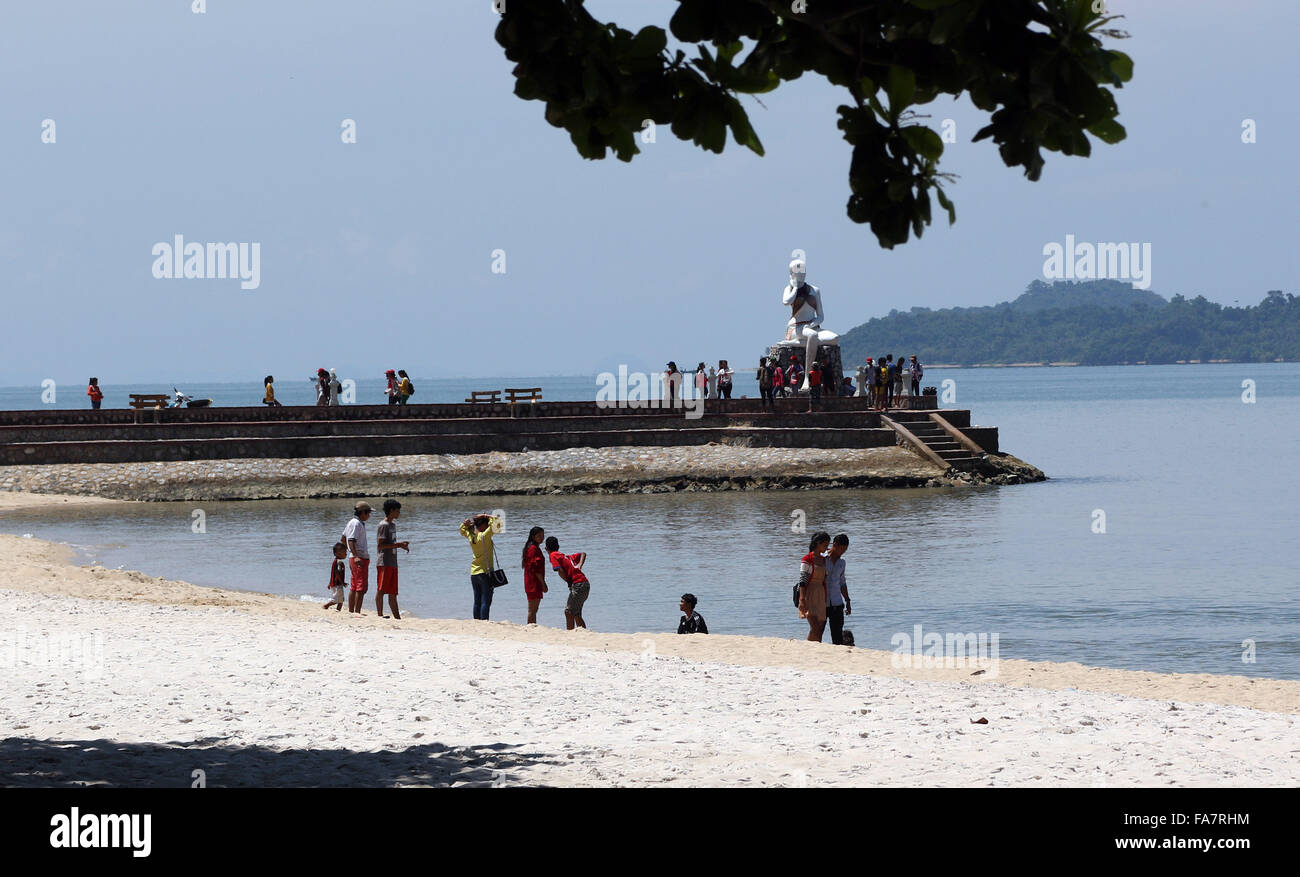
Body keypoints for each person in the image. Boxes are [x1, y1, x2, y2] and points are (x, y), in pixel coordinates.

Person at [460, 512, 500, 620]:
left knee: (477, 600)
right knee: (486, 601)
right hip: (485, 573)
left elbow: (462, 530)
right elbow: (498, 522)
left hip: (474, 573)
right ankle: (484, 621)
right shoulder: (485, 536)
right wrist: (486, 515)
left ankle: (476, 621)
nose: (488, 526)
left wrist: (465, 524)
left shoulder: (471, 537)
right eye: (486, 524)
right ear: (483, 526)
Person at [375, 499, 409, 619]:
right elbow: (380, 545)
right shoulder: (383, 525)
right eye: (397, 510)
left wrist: (401, 546)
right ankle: (380, 615)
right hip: (384, 562)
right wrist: (398, 545)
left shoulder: (393, 525)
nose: (399, 513)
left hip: (393, 562)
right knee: (381, 589)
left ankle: (397, 617)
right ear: (391, 511)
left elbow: (391, 543)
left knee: (393, 592)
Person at [546, 536, 589, 630]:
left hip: (578, 584)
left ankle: (569, 633)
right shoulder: (567, 557)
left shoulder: (553, 555)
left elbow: (559, 570)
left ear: (546, 549)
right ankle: (583, 632)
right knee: (576, 613)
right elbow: (583, 554)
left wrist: (568, 580)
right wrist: (579, 565)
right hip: (584, 583)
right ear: (559, 546)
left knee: (568, 611)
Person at [796, 531, 830, 642]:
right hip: (809, 594)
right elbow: (802, 580)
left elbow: (824, 579)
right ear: (818, 544)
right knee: (814, 627)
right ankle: (809, 647)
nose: (826, 547)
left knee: (820, 627)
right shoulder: (807, 559)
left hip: (821, 594)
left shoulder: (824, 559)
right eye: (825, 545)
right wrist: (802, 599)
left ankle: (816, 647)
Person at [343, 502, 372, 615]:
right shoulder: (356, 524)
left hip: (355, 557)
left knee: (354, 585)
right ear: (363, 512)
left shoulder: (353, 522)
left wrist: (348, 554)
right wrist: (355, 556)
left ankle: (352, 611)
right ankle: (357, 612)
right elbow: (350, 540)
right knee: (360, 587)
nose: (369, 516)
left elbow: (343, 538)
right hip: (359, 558)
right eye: (368, 513)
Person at [824, 534, 852, 645]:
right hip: (822, 603)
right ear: (834, 545)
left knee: (837, 636)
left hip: (837, 603)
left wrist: (848, 601)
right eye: (842, 549)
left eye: (845, 550)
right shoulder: (821, 558)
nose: (843, 552)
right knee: (818, 631)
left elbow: (842, 583)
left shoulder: (842, 562)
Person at [522, 526, 548, 624]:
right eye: (539, 536)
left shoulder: (531, 547)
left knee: (533, 610)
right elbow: (536, 569)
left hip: (531, 581)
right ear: (533, 536)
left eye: (543, 535)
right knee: (532, 610)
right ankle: (531, 627)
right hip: (534, 582)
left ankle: (532, 626)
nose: (542, 538)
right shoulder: (533, 548)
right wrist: (543, 583)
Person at [323, 541, 348, 611]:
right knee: (337, 599)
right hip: (337, 584)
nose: (346, 554)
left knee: (341, 600)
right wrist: (342, 582)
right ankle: (326, 605)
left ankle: (338, 610)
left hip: (334, 583)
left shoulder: (335, 561)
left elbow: (333, 573)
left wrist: (329, 583)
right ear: (339, 553)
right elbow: (337, 573)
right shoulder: (339, 562)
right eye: (345, 553)